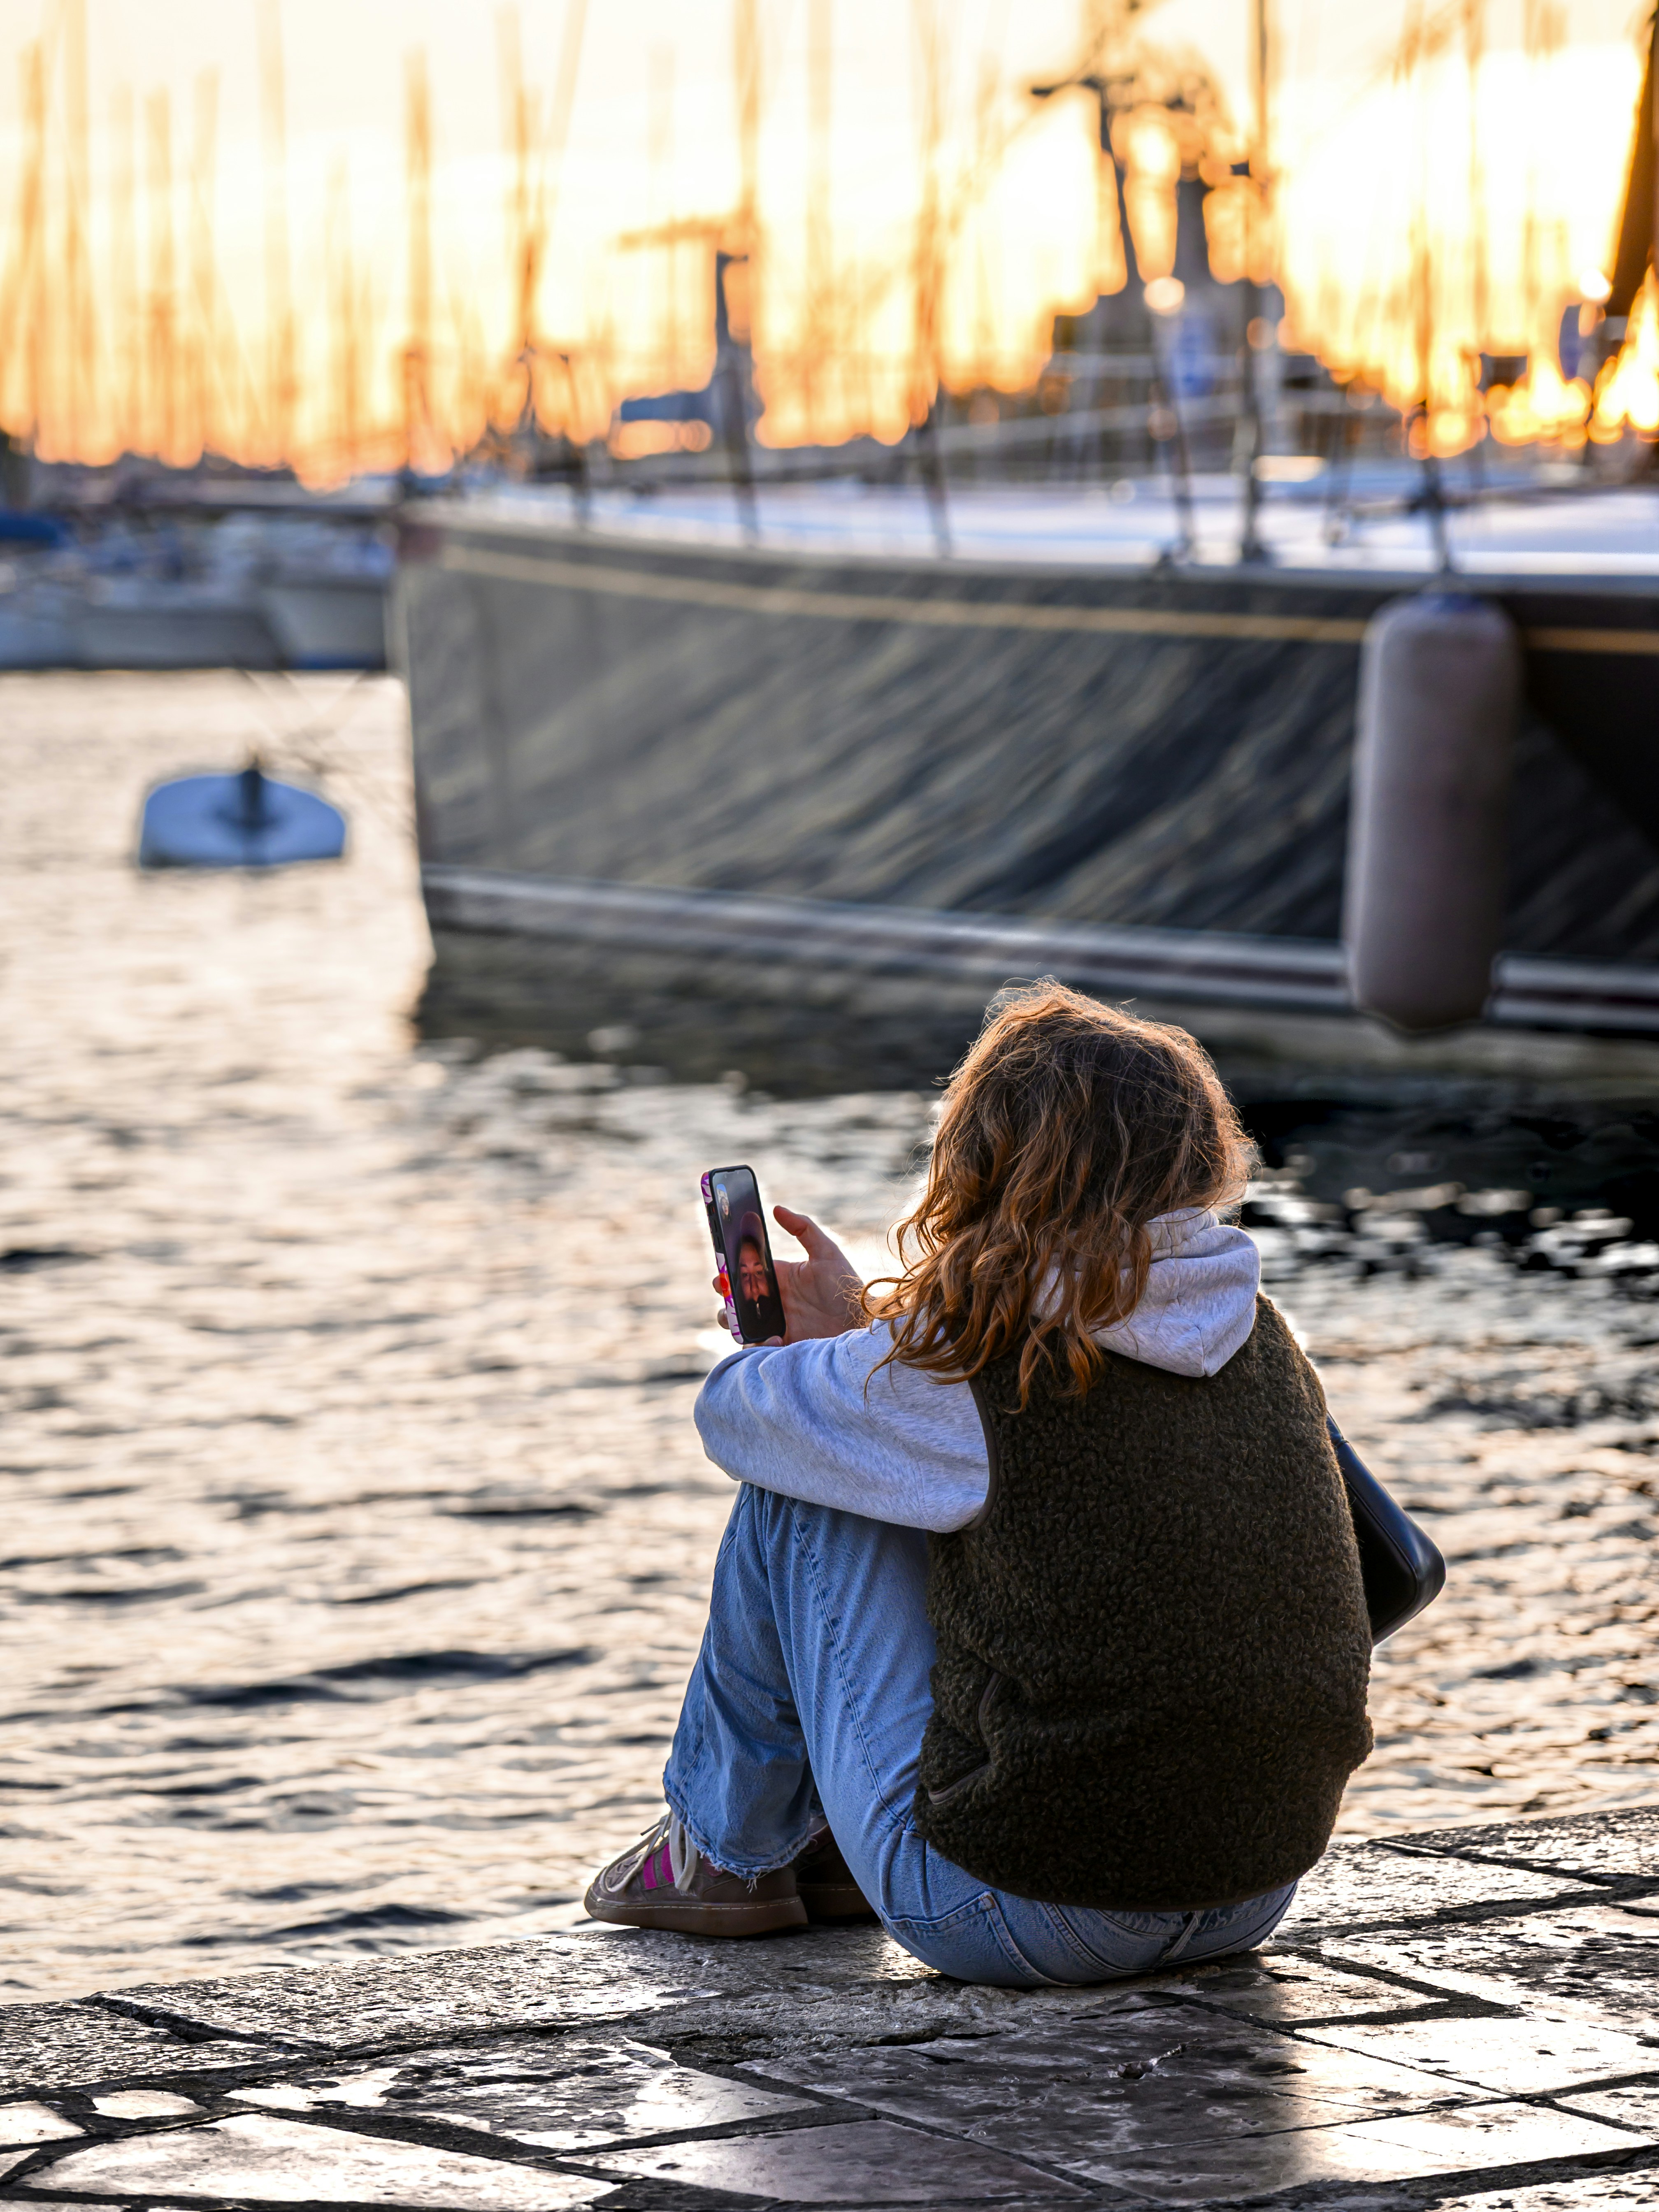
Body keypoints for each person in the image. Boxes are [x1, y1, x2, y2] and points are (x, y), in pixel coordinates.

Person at [585, 984, 1373, 1987]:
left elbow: (736, 1415)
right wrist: (869, 1336)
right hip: (1255, 1889)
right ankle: (816, 1853)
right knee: (864, 1450)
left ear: (990, 1160)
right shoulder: (1256, 1330)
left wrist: (839, 1347)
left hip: (1020, 1913)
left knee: (801, 1477)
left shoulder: (987, 1357)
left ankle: (728, 1855)